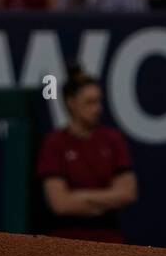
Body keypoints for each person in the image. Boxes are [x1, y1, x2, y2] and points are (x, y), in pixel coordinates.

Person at [36, 65, 137, 243]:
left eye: (99, 101)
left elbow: (128, 193)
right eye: (90, 102)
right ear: (71, 103)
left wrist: (81, 197)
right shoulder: (55, 143)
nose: (97, 109)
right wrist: (106, 198)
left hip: (109, 241)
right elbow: (60, 204)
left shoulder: (113, 139)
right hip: (64, 242)